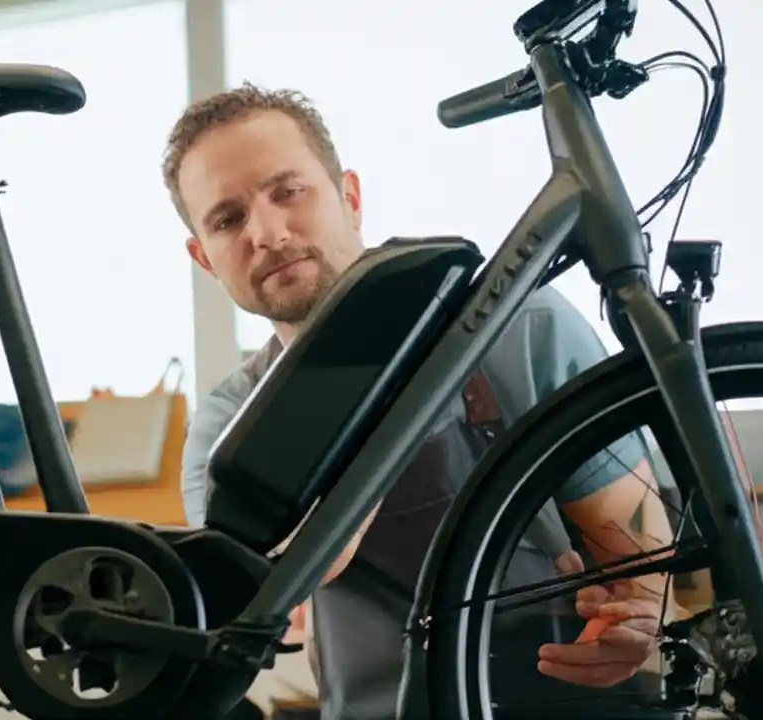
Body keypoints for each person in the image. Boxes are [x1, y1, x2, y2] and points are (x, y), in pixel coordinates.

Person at [163, 83, 680, 718]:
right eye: (227, 219)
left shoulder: (519, 329)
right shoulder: (225, 429)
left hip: (574, 702)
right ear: (204, 259)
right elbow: (279, 596)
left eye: (288, 191)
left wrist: (637, 620)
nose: (267, 232)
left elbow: (637, 545)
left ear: (349, 197)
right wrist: (360, 389)